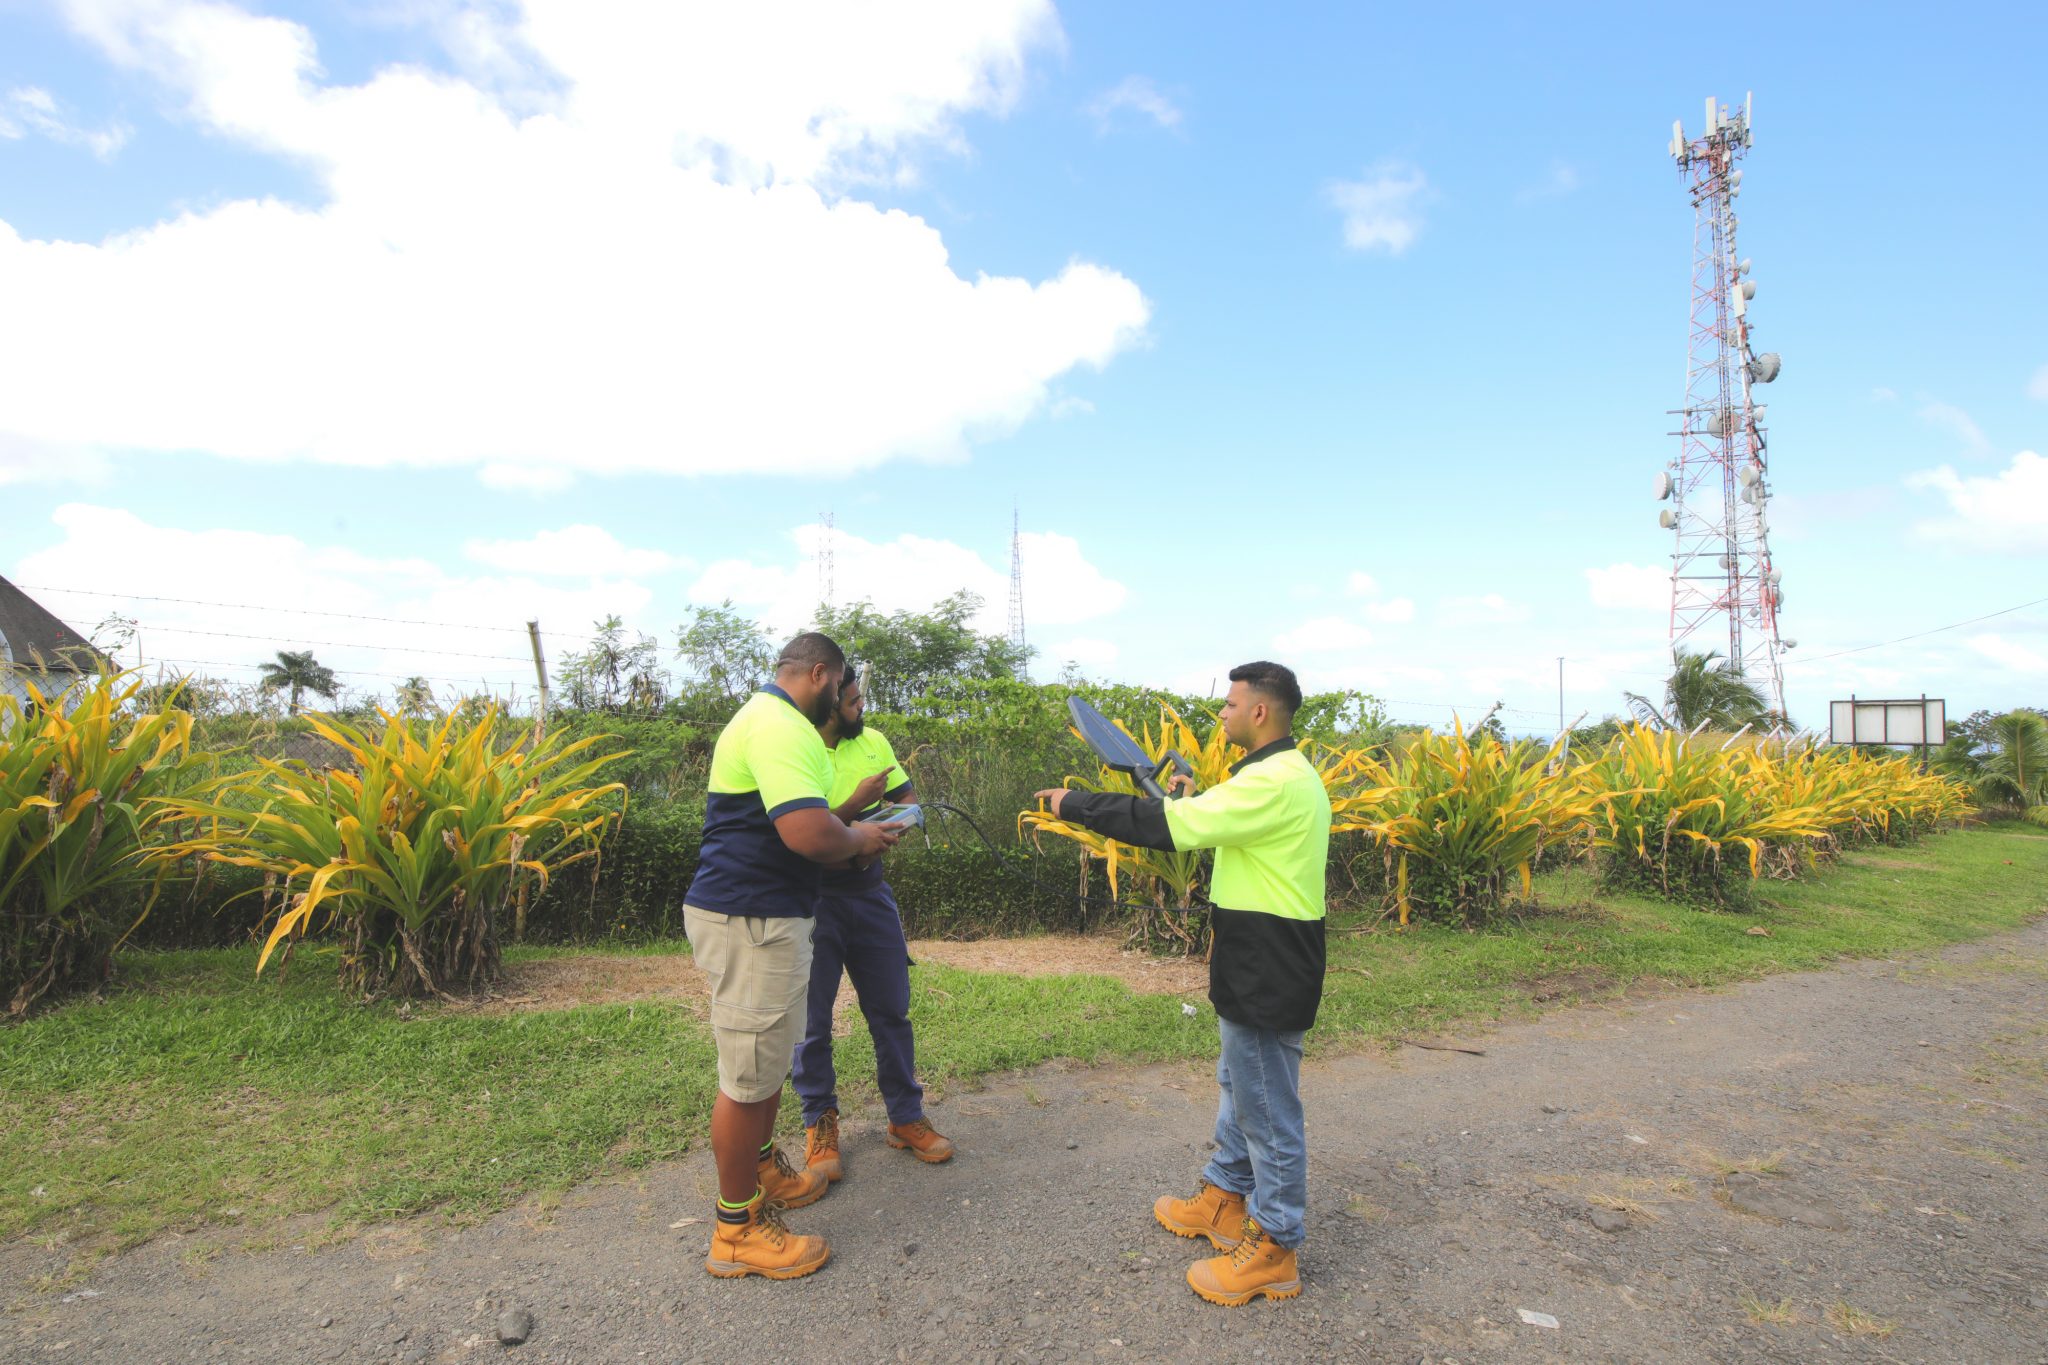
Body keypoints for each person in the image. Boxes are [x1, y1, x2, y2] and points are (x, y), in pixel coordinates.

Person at [1035, 661, 1330, 1307]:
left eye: (1229, 704)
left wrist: (1073, 803)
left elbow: (1167, 826)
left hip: (1268, 963)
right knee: (1239, 1081)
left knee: (1267, 1105)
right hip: (1258, 955)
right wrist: (1189, 793)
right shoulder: (1271, 778)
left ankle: (1276, 1245)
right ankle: (1224, 1196)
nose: (1220, 714)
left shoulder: (1275, 782)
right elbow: (1205, 817)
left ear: (1259, 712)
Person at [683, 632, 902, 1280]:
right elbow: (807, 831)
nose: (842, 698)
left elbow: (798, 820)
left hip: (759, 914)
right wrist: (859, 833)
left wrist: (851, 822)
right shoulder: (784, 727)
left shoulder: (764, 718)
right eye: (841, 685)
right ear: (820, 674)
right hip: (752, 919)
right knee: (749, 1080)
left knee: (764, 1065)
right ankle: (736, 1230)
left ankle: (758, 1175)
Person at [793, 665, 955, 1184]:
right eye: (854, 702)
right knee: (810, 1023)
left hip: (870, 893)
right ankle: (820, 1125)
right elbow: (805, 831)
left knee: (892, 1011)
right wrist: (857, 814)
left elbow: (908, 804)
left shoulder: (875, 742)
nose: (862, 709)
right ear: (828, 700)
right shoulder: (799, 749)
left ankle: (905, 1118)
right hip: (813, 901)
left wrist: (879, 832)